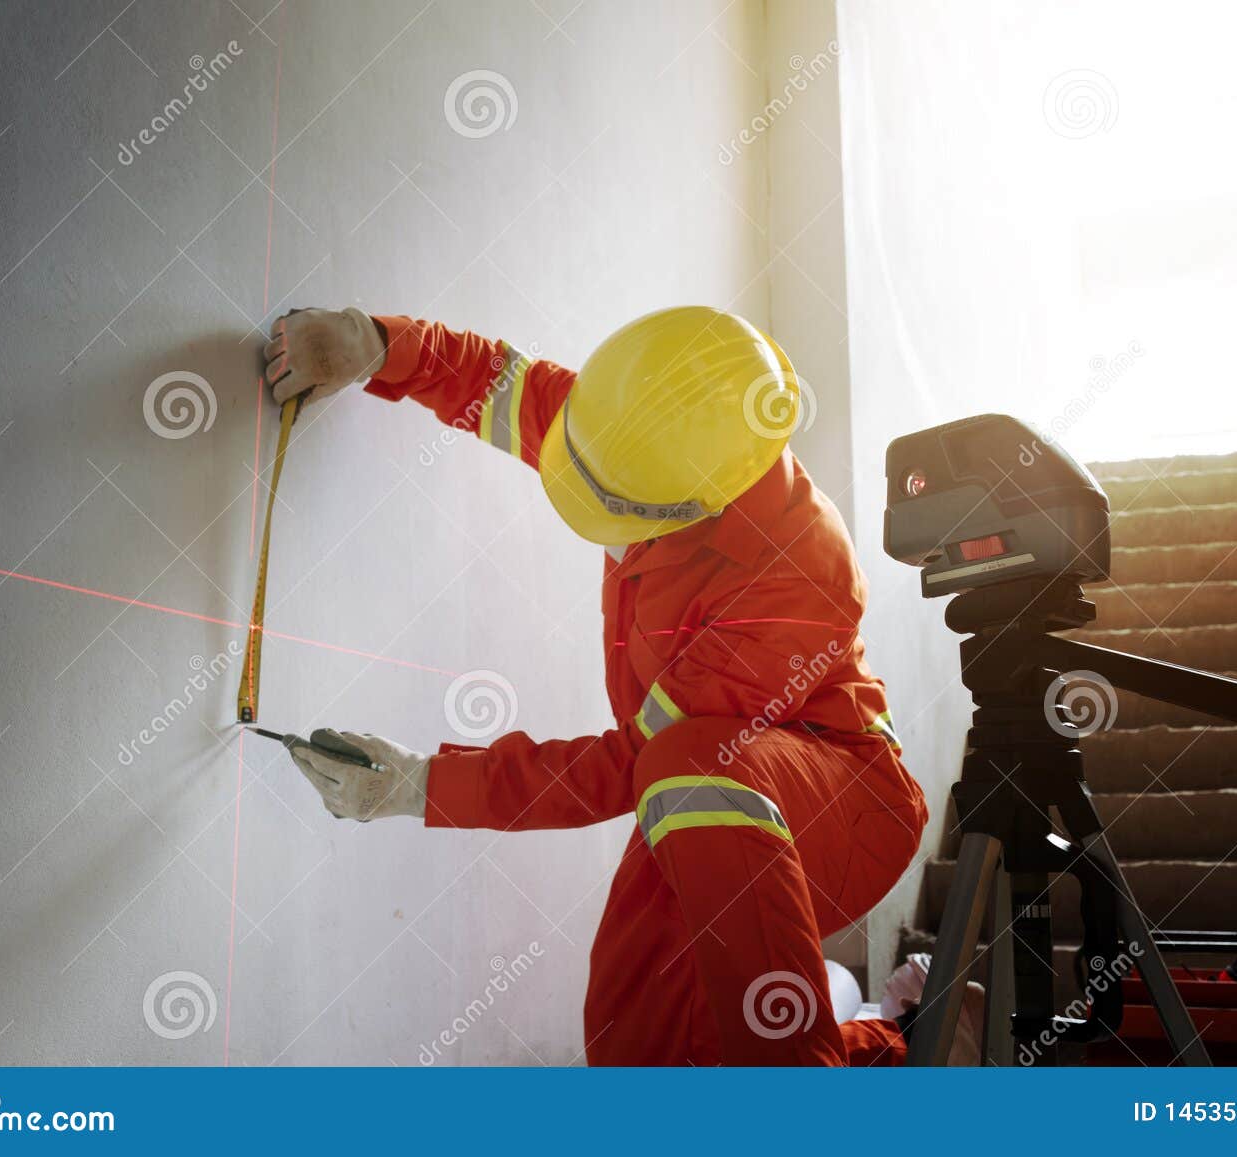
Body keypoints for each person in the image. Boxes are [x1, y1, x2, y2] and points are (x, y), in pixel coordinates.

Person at [262, 305, 929, 1065]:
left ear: (695, 504)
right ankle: (895, 1046)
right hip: (704, 789)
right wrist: (374, 345)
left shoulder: (797, 575)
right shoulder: (636, 424)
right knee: (632, 1038)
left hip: (839, 805)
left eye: (620, 512)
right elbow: (493, 380)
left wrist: (425, 785)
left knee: (687, 782)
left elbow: (634, 762)